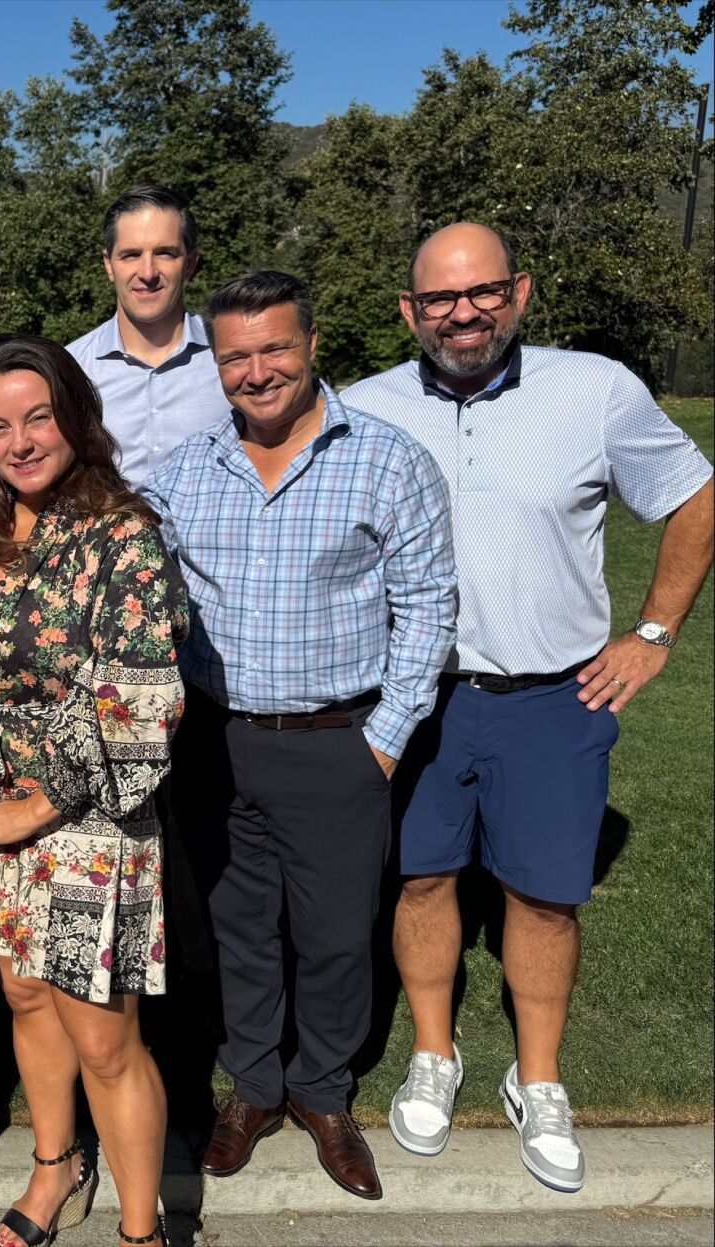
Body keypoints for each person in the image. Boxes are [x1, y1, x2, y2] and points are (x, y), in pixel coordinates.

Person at [344, 222, 715, 1193]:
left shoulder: (594, 389)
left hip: (553, 694)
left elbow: (695, 495)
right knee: (421, 882)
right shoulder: (362, 406)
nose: (462, 312)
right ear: (409, 311)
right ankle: (434, 1051)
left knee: (545, 899)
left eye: (482, 291)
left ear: (519, 291)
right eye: (439, 298)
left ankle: (536, 1076)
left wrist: (653, 632)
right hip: (416, 699)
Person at [144, 272, 456, 1202]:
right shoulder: (186, 469)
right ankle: (253, 1086)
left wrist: (384, 739)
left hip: (336, 741)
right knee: (238, 929)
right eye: (235, 355)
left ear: (312, 344)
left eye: (274, 347)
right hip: (216, 740)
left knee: (333, 936)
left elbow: (427, 606)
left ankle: (322, 1091)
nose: (256, 371)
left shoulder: (387, 459)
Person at [0, 334, 188, 1247]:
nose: (20, 442)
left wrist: (34, 809)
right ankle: (55, 1163)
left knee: (105, 1039)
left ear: (75, 415)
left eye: (37, 417)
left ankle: (140, 1229)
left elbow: (141, 698)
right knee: (26, 997)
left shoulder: (123, 533)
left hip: (93, 809)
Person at [68, 186, 226, 491]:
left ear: (190, 264)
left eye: (165, 253)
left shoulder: (233, 361)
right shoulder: (71, 370)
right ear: (109, 265)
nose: (148, 272)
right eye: (131, 255)